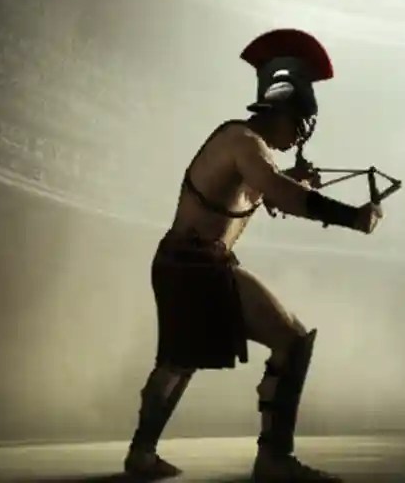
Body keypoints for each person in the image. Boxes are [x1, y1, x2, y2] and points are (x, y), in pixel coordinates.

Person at [124, 29, 383, 481]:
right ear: (282, 110)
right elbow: (280, 193)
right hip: (193, 263)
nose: (300, 136)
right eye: (299, 124)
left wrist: (294, 182)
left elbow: (268, 186)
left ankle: (143, 455)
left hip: (198, 263)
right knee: (282, 342)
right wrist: (353, 217)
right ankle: (273, 459)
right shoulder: (245, 142)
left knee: (181, 361)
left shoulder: (247, 145)